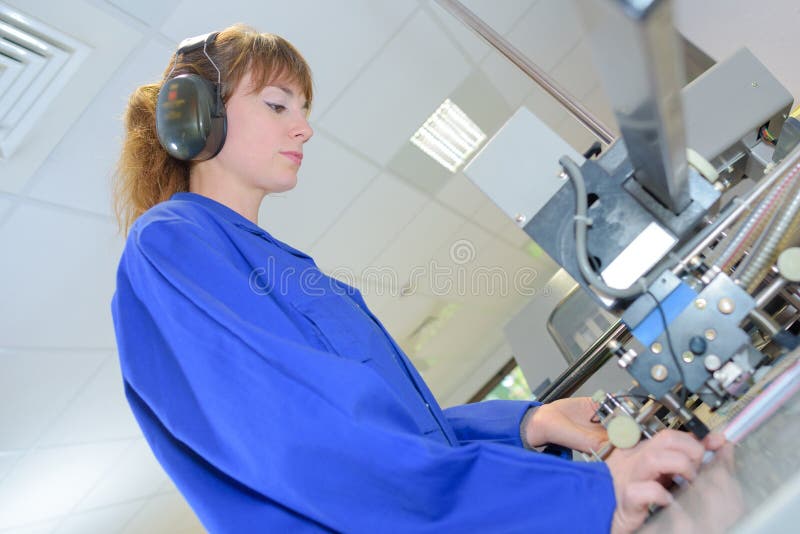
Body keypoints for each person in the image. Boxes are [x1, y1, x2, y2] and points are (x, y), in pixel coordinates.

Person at [111, 24, 723, 533]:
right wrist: (587, 497)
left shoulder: (281, 266)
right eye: (277, 105)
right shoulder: (171, 244)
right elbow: (317, 449)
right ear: (195, 117)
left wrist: (527, 425)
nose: (304, 129)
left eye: (304, 110)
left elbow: (395, 437)